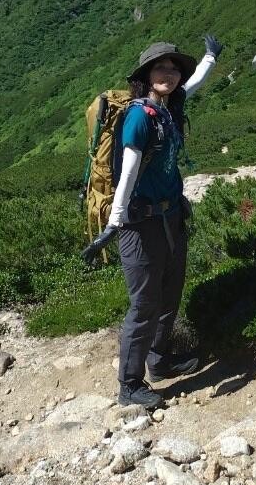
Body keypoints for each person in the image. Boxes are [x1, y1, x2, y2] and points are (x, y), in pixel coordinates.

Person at [83, 35, 223, 409]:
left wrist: (210, 57)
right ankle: (129, 384)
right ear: (145, 76)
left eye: (174, 69)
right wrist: (113, 224)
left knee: (170, 291)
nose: (170, 75)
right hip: (138, 223)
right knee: (144, 303)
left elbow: (191, 86)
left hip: (170, 215)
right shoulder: (139, 118)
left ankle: (159, 362)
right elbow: (127, 173)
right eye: (161, 68)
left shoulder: (169, 107)